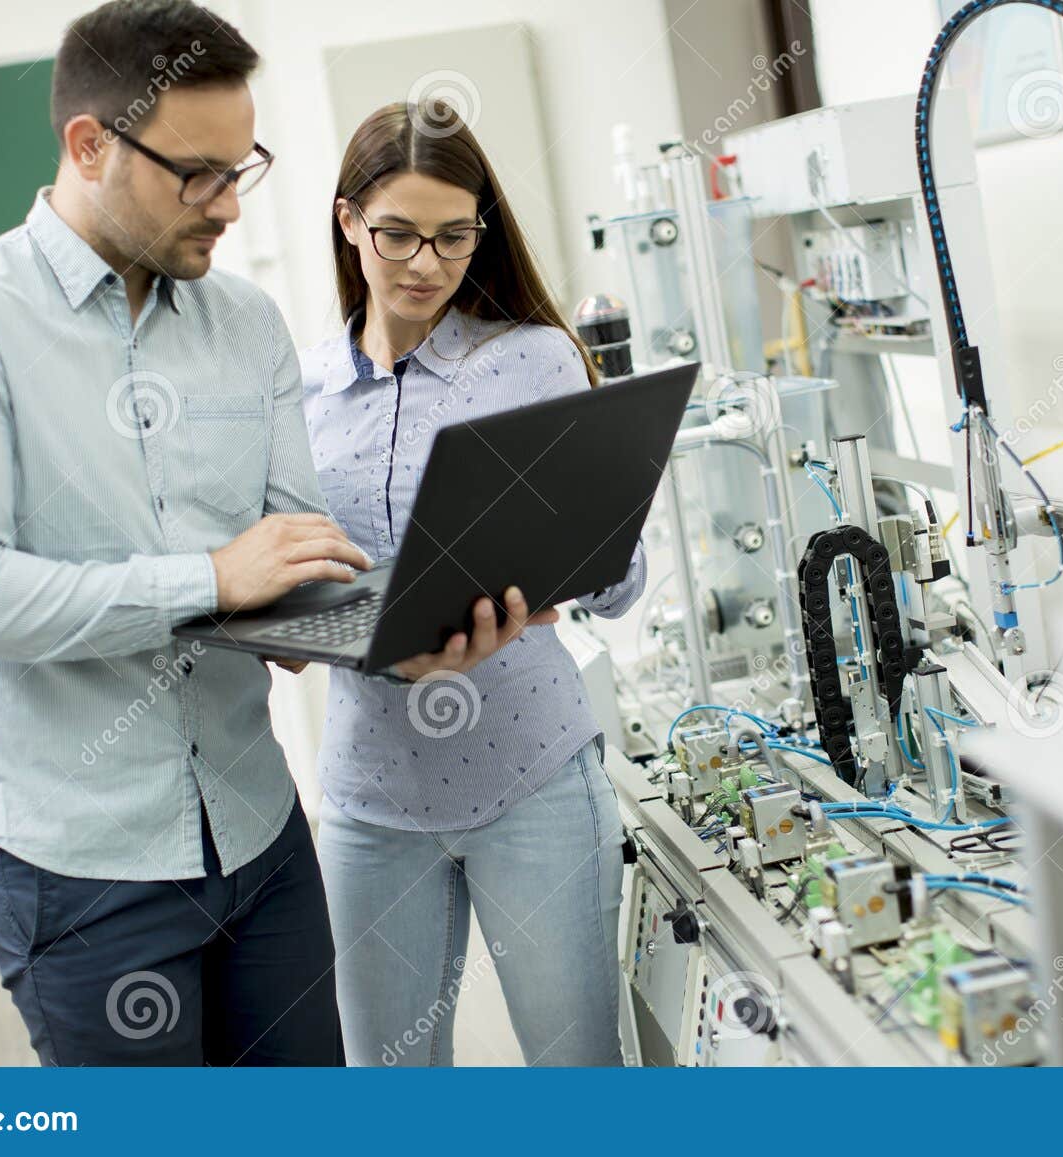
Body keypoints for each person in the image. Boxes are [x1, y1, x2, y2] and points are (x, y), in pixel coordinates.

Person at [0, 0, 388, 1066]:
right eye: (196, 175)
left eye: (241, 170)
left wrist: (390, 623)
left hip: (257, 829)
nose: (228, 205)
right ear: (89, 144)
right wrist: (209, 578)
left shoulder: (247, 323)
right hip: (77, 866)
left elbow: (286, 556)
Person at [302, 100, 646, 1066]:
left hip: (532, 776)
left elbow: (619, 581)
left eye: (455, 236)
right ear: (348, 223)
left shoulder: (531, 359)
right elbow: (288, 582)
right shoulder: (300, 392)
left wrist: (581, 541)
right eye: (398, 234)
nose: (426, 263)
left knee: (578, 1077)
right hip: (371, 801)